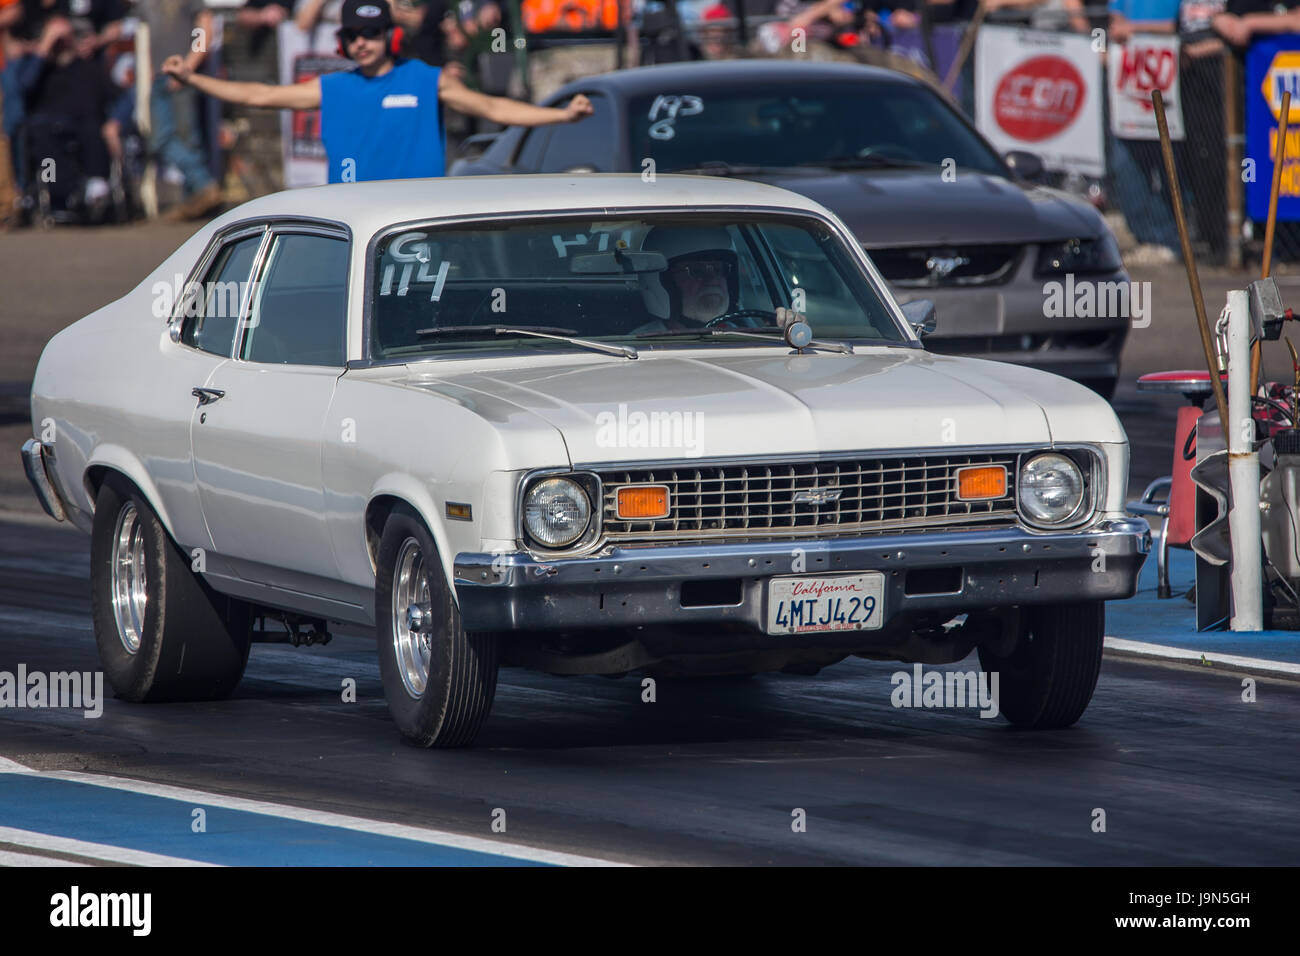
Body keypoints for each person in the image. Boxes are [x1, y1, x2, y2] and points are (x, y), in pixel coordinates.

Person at [162, 0, 592, 183]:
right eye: (353, 35)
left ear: (390, 35)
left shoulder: (428, 80)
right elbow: (257, 95)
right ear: (343, 41)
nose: (362, 42)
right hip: (356, 222)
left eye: (372, 32)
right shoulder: (331, 88)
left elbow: (494, 106)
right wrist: (193, 77)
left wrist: (562, 115)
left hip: (419, 221)